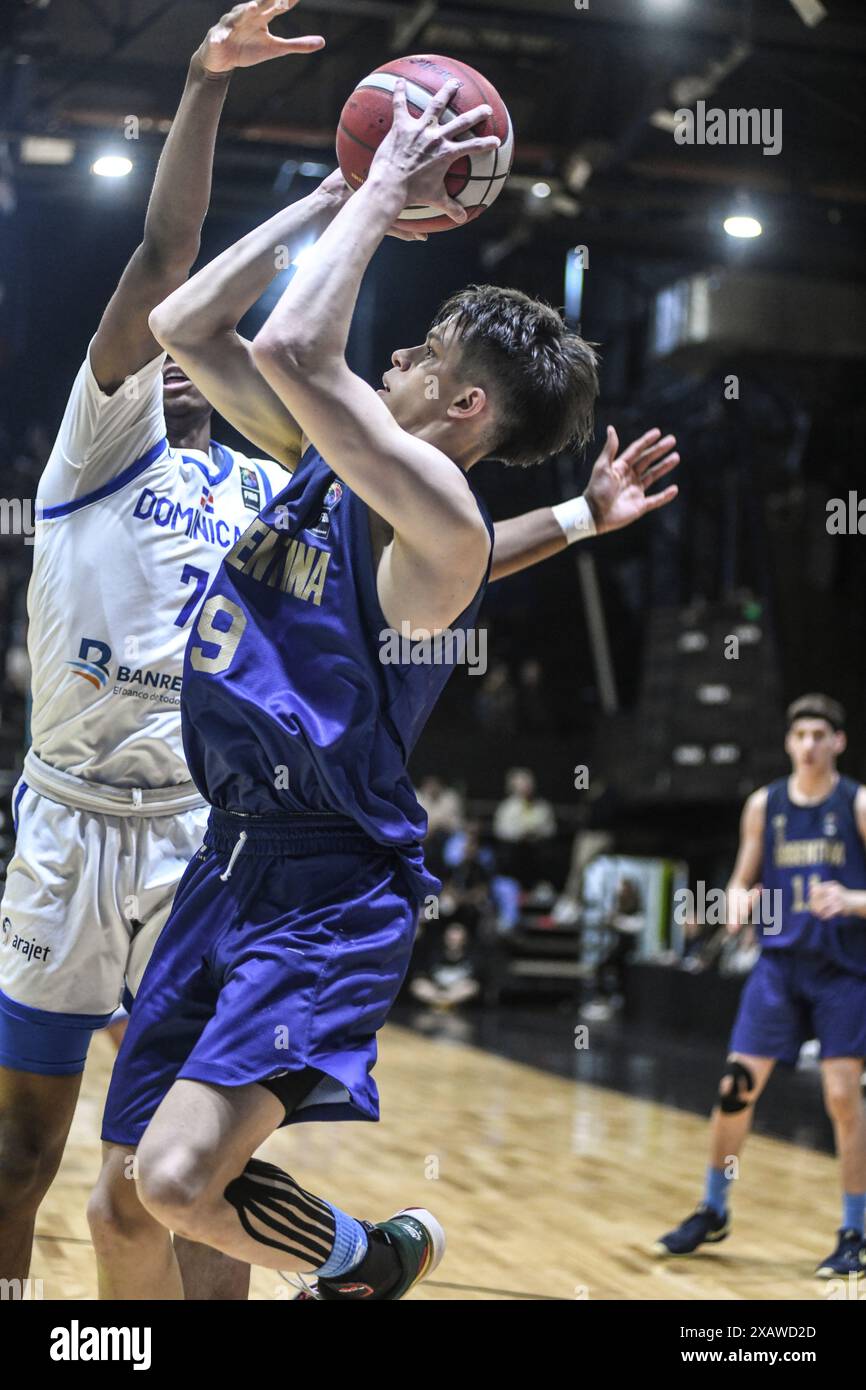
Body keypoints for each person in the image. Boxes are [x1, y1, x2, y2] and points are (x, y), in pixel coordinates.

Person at [87, 63, 682, 1301]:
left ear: (460, 405)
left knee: (182, 1182)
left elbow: (303, 343)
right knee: (126, 1203)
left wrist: (387, 187)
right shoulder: (342, 466)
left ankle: (370, 1262)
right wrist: (332, 196)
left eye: (421, 353)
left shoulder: (442, 514)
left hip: (328, 881)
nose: (394, 350)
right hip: (227, 858)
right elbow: (187, 325)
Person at [0, 0, 333, 1296]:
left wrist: (356, 206)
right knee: (24, 1139)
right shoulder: (95, 453)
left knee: (185, 1170)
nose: (179, 344)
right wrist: (203, 82)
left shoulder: (277, 485)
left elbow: (337, 415)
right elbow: (161, 251)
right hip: (71, 828)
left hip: (202, 834)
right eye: (169, 334)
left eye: (211, 337)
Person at [656, 694, 866, 1278]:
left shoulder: (857, 804)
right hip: (778, 968)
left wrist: (852, 900)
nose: (809, 745)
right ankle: (713, 1208)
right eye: (800, 734)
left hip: (841, 972)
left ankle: (856, 1230)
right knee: (734, 1089)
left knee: (844, 1098)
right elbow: (740, 882)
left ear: (838, 743)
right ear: (788, 742)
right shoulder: (763, 806)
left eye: (820, 734)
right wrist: (737, 900)